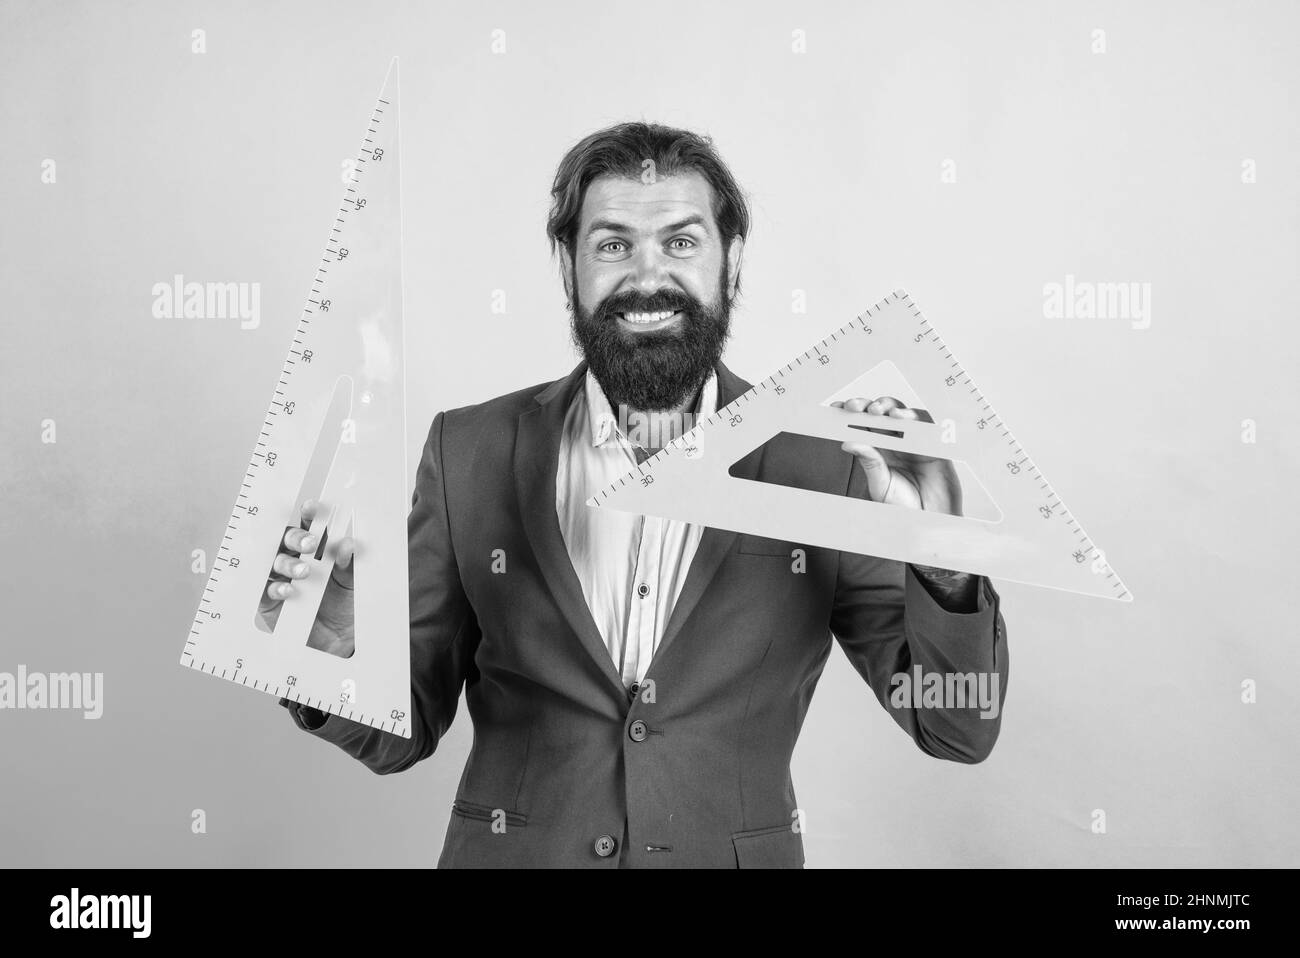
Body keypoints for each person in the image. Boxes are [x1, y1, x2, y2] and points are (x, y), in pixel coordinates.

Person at [266, 122, 1009, 868]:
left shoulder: (826, 464)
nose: (647, 276)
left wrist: (941, 556)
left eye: (681, 242)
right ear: (568, 265)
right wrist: (330, 652)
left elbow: (956, 726)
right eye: (612, 244)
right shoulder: (469, 451)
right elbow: (405, 728)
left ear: (732, 263)